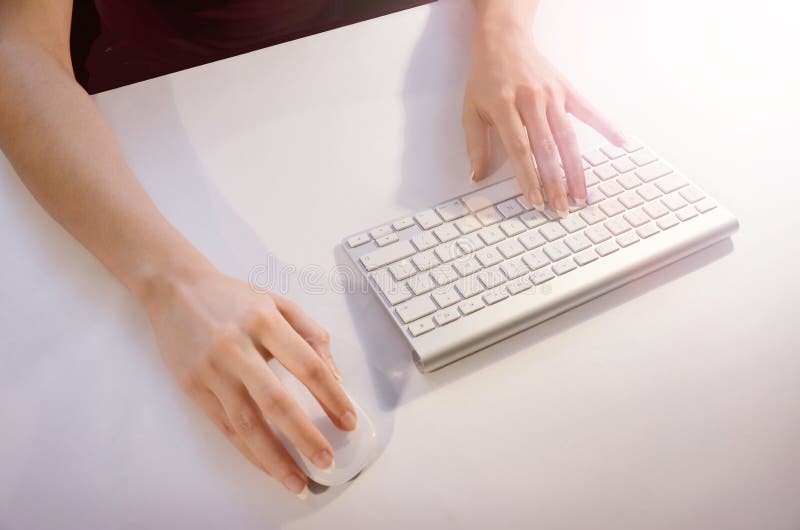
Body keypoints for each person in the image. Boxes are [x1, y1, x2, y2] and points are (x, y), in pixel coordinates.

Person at [0, 0, 624, 498]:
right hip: (174, 126)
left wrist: (505, 33)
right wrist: (169, 281)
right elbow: (18, 45)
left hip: (410, 88)